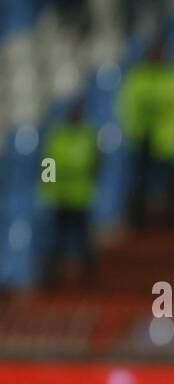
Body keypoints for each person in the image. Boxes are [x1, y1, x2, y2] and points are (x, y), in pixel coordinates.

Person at [118, 37, 174, 229]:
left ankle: (171, 218)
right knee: (139, 182)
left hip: (168, 138)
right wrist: (134, 127)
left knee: (171, 183)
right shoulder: (137, 78)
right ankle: (138, 220)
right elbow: (126, 106)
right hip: (142, 137)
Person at [39, 99, 98, 286]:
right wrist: (49, 189)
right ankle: (53, 272)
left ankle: (88, 273)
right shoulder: (57, 136)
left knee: (83, 236)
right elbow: (48, 162)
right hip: (61, 196)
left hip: (81, 195)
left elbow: (95, 164)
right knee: (56, 236)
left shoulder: (88, 136)